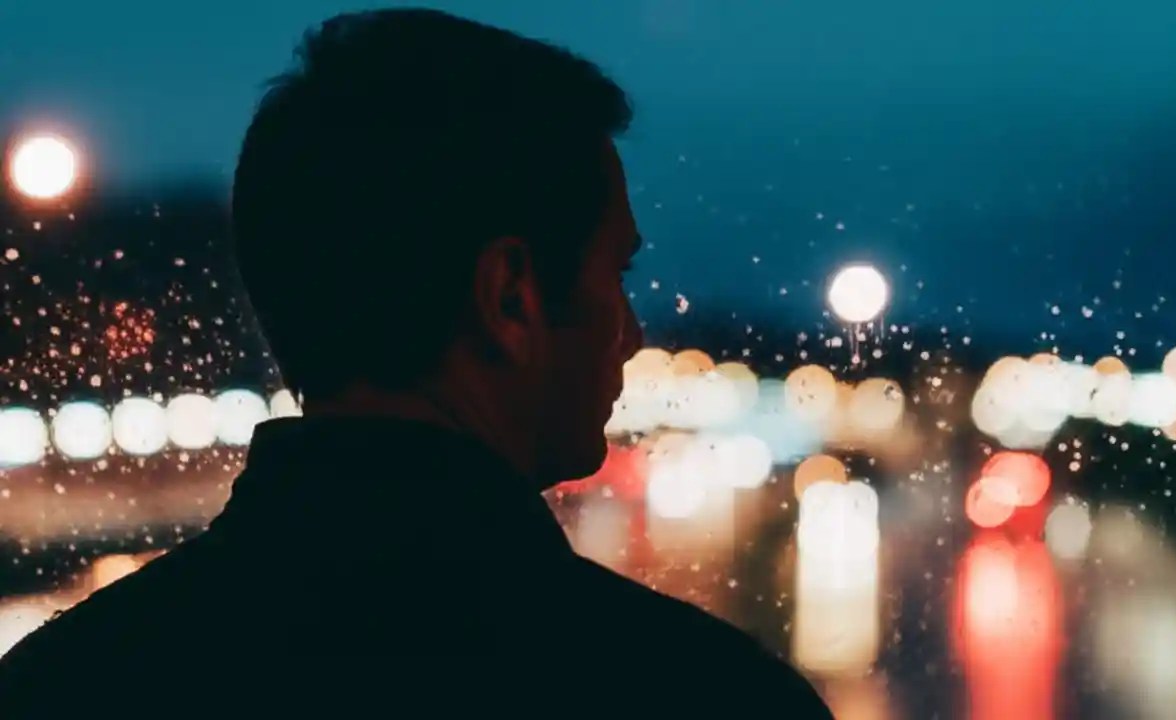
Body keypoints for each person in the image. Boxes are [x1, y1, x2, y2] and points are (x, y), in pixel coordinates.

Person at [0, 9, 832, 718]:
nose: (632, 331)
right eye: (617, 274)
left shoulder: (61, 683)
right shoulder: (695, 694)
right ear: (509, 299)